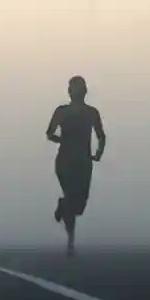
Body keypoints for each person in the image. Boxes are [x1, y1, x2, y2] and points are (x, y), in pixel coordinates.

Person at [45, 75, 105, 256]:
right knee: (72, 197)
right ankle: (70, 243)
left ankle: (63, 206)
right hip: (65, 161)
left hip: (84, 162)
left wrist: (98, 153)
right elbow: (49, 133)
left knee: (78, 205)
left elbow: (101, 135)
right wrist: (64, 140)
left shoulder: (91, 112)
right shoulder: (62, 111)